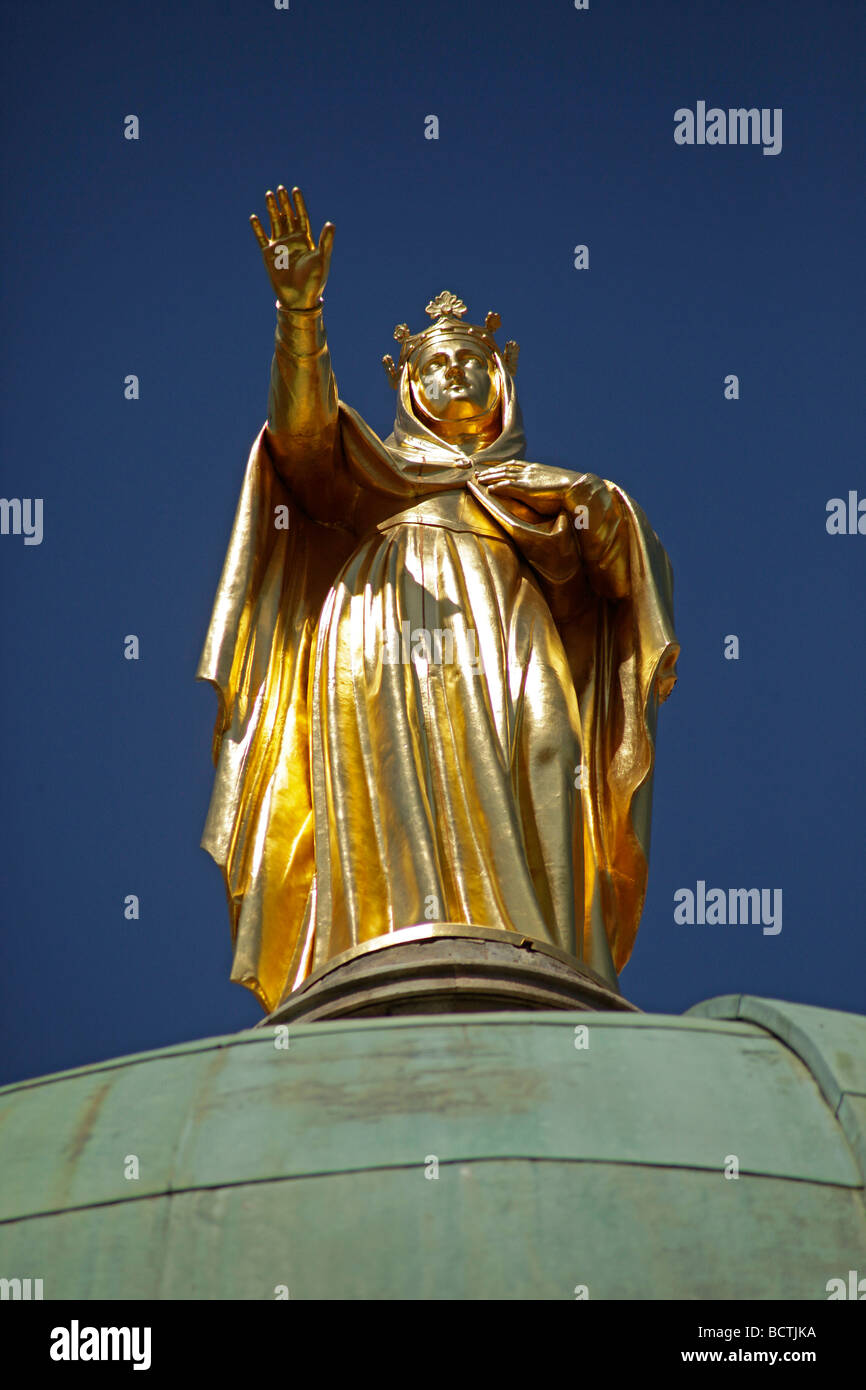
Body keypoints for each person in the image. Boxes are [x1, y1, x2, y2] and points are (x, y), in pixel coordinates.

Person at [197, 186, 679, 1014]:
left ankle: (549, 958)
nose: (455, 371)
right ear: (408, 388)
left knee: (552, 755)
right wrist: (301, 315)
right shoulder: (371, 481)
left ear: (504, 387)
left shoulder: (542, 499)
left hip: (513, 621)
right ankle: (391, 945)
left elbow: (608, 593)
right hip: (391, 605)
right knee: (396, 777)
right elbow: (303, 442)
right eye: (436, 364)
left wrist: (606, 524)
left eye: (471, 363)